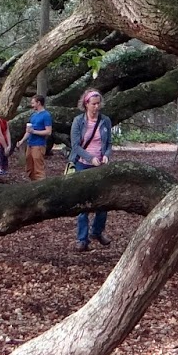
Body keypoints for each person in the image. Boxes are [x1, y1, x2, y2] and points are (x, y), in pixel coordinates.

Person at [70, 90, 113, 251]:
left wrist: (106, 155)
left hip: (101, 165)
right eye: (93, 104)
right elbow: (75, 146)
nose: (96, 107)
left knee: (103, 201)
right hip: (83, 164)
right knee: (84, 202)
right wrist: (90, 158)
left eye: (98, 103)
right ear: (86, 104)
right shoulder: (78, 121)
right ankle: (82, 239)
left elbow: (109, 143)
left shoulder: (105, 121)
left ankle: (97, 231)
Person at [25, 95, 52, 180]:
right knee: (29, 168)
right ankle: (33, 184)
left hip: (39, 145)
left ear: (38, 103)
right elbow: (29, 131)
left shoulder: (46, 115)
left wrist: (34, 132)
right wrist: (22, 141)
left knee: (38, 169)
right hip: (30, 144)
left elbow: (48, 131)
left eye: (33, 103)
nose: (32, 105)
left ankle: (41, 185)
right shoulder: (33, 115)